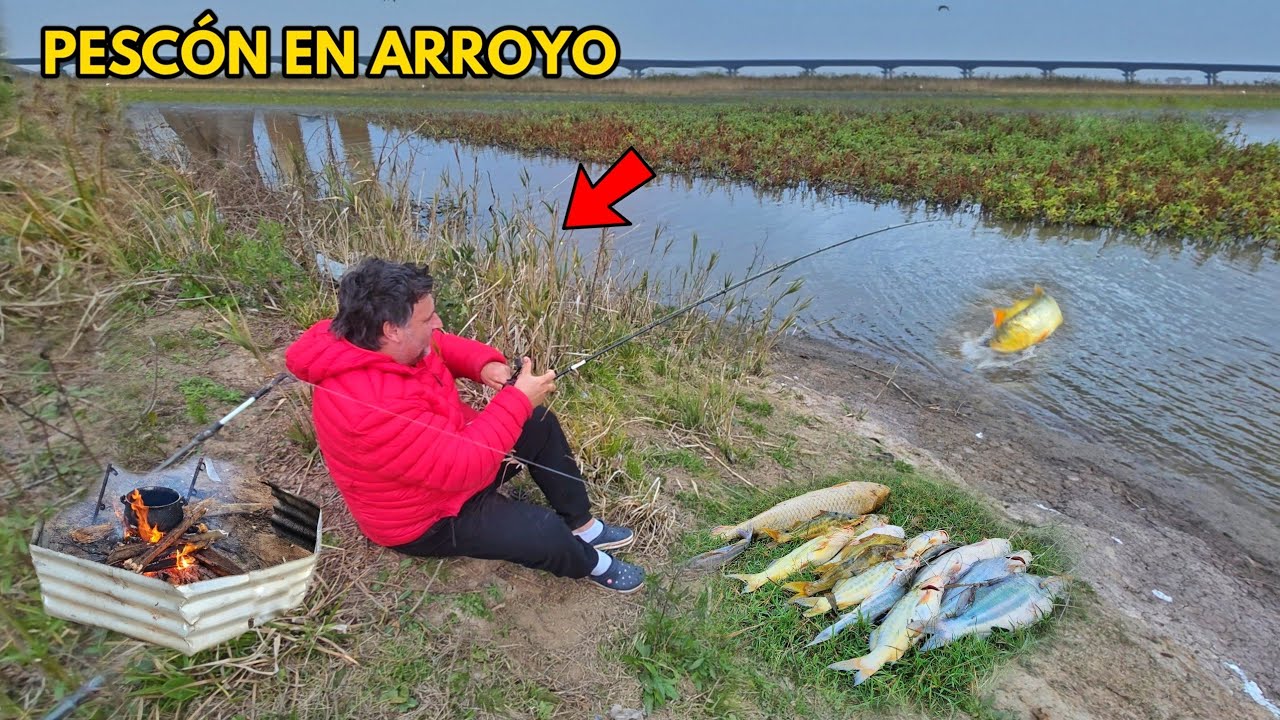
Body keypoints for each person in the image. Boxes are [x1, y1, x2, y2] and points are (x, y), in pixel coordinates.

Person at [285, 258, 645, 593]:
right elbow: (464, 469)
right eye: (427, 319)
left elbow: (439, 345)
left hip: (444, 461)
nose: (438, 322)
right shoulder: (368, 409)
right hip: (424, 519)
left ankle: (581, 524)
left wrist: (484, 365)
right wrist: (517, 400)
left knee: (539, 423)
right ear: (392, 330)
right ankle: (594, 564)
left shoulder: (377, 341)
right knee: (542, 530)